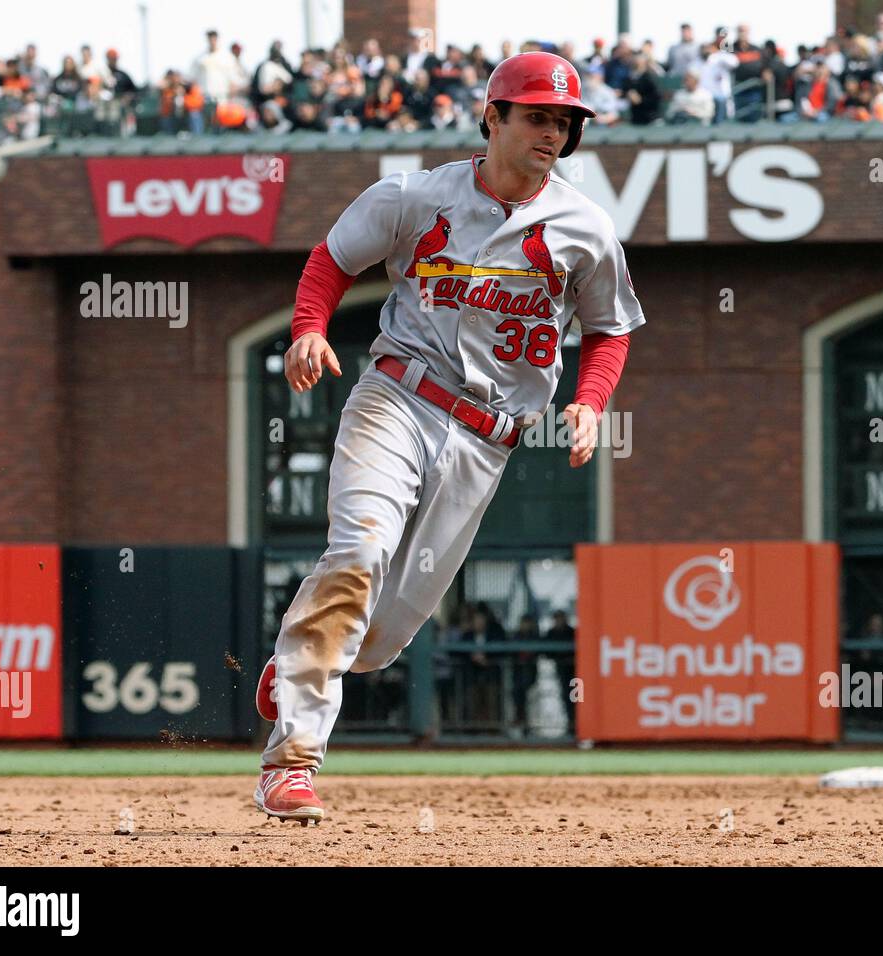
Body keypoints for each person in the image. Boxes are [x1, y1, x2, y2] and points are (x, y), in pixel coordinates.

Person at [250, 52, 644, 823]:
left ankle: (300, 662)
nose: (553, 133)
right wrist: (306, 330)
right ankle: (291, 761)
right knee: (357, 554)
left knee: (382, 636)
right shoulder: (417, 198)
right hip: (397, 398)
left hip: (486, 442)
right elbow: (332, 259)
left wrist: (593, 403)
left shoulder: (585, 227)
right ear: (491, 117)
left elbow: (609, 330)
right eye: (537, 116)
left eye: (564, 122)